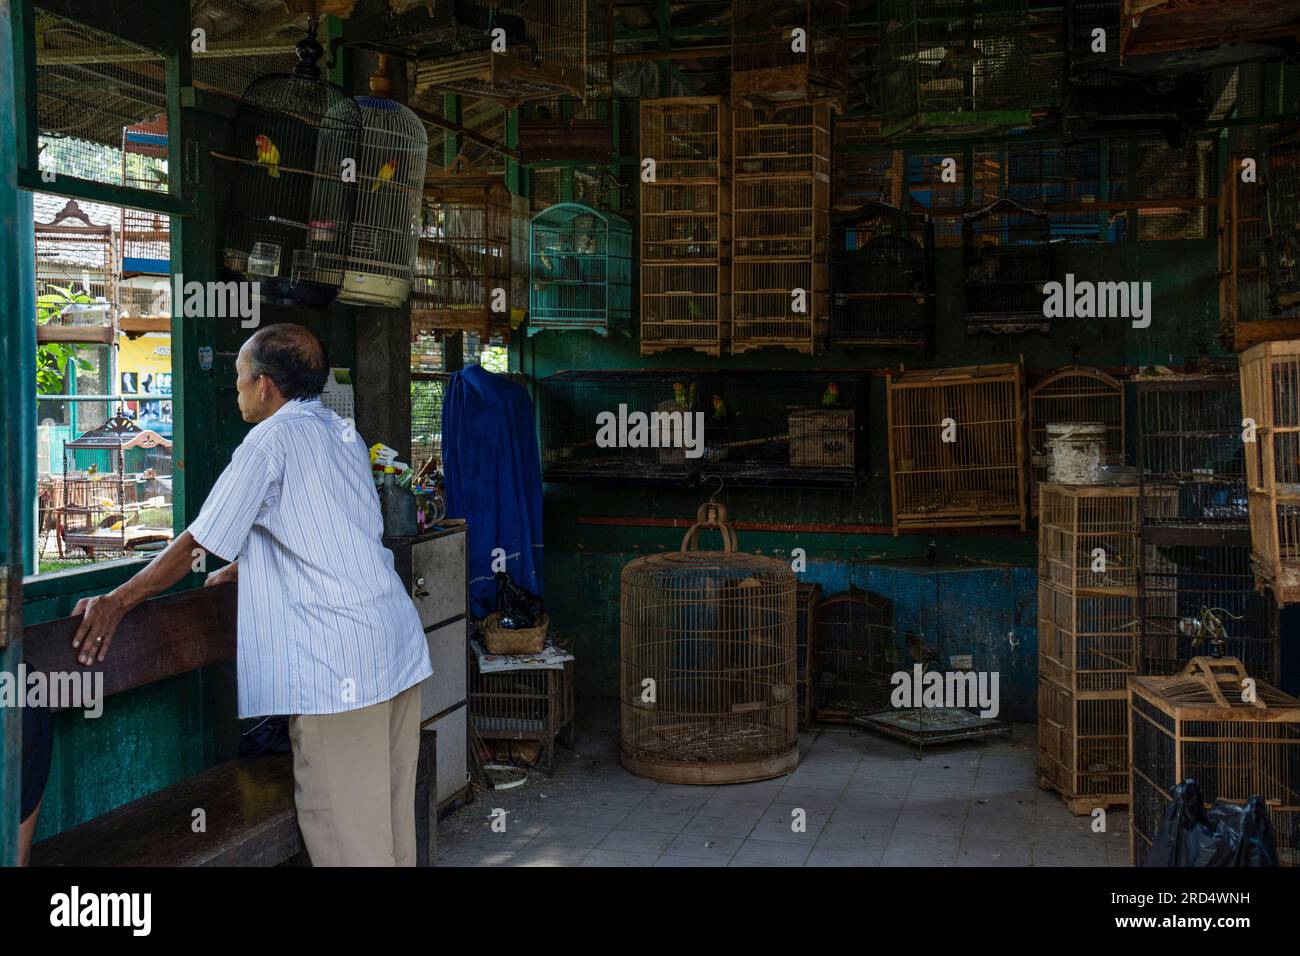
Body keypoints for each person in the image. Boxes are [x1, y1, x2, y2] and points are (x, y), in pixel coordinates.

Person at [72, 323, 432, 866]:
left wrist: (119, 599)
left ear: (265, 386)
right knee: (390, 833)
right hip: (394, 648)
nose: (236, 390)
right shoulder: (340, 432)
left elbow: (199, 539)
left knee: (350, 841)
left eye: (240, 379)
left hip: (339, 673)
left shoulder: (270, 439)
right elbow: (332, 528)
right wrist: (251, 564)